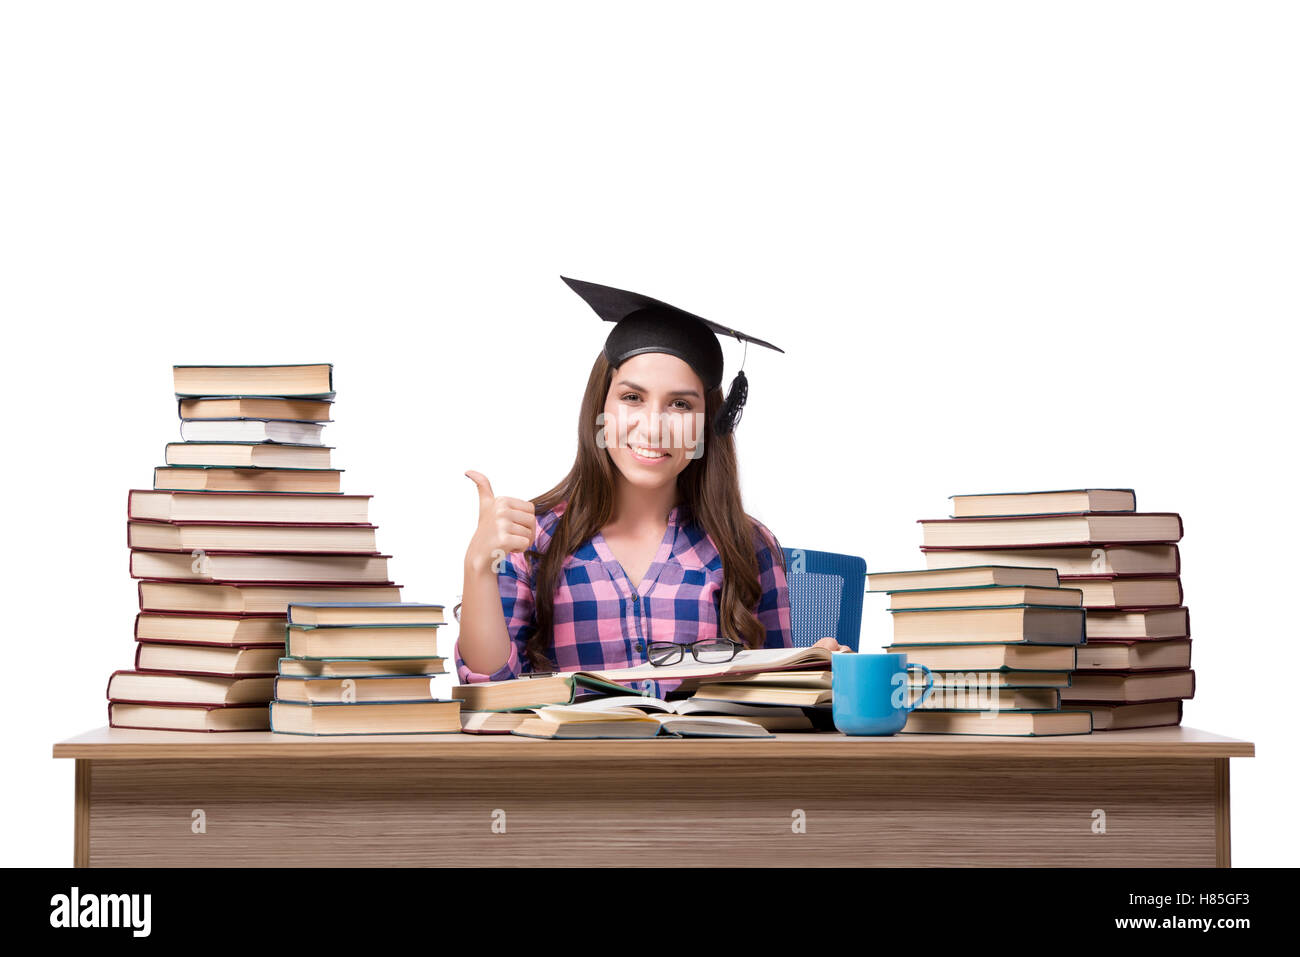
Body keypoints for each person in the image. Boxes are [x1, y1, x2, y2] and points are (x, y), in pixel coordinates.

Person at [454, 276, 848, 699]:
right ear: (600, 409)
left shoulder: (746, 546)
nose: (654, 426)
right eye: (632, 398)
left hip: (702, 763)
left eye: (680, 404)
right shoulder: (532, 538)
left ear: (705, 426)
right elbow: (490, 691)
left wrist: (814, 670)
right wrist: (478, 565)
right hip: (573, 763)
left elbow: (779, 699)